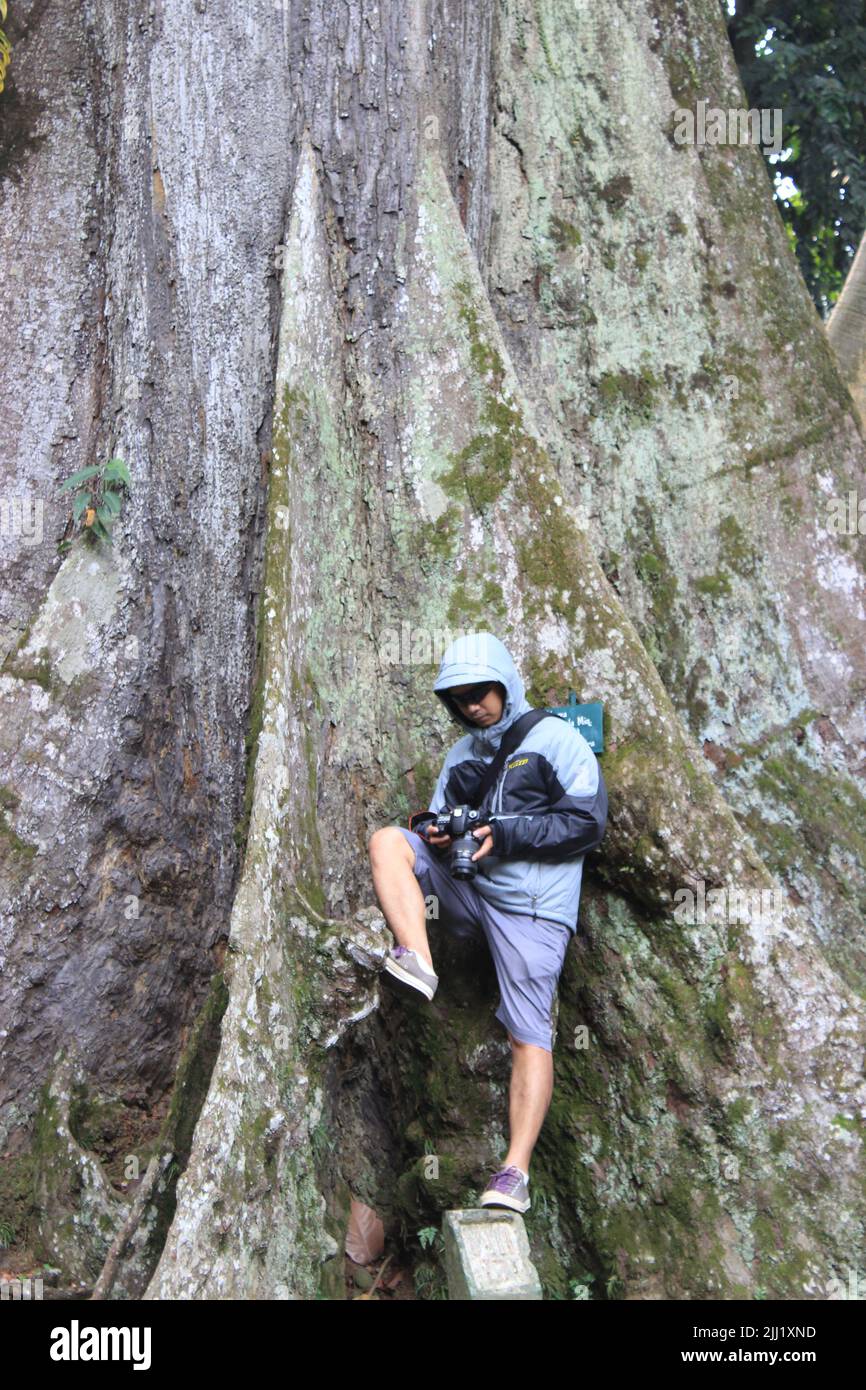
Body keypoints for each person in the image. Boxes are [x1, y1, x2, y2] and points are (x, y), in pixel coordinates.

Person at [368, 631, 608, 1213]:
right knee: (388, 842)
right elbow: (435, 830)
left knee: (529, 1034)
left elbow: (587, 823)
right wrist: (438, 830)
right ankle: (418, 959)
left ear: (505, 684)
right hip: (472, 897)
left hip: (533, 910)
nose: (473, 704)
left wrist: (502, 833)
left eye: (482, 691)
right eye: (460, 696)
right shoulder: (460, 758)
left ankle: (513, 1174)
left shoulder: (553, 739)